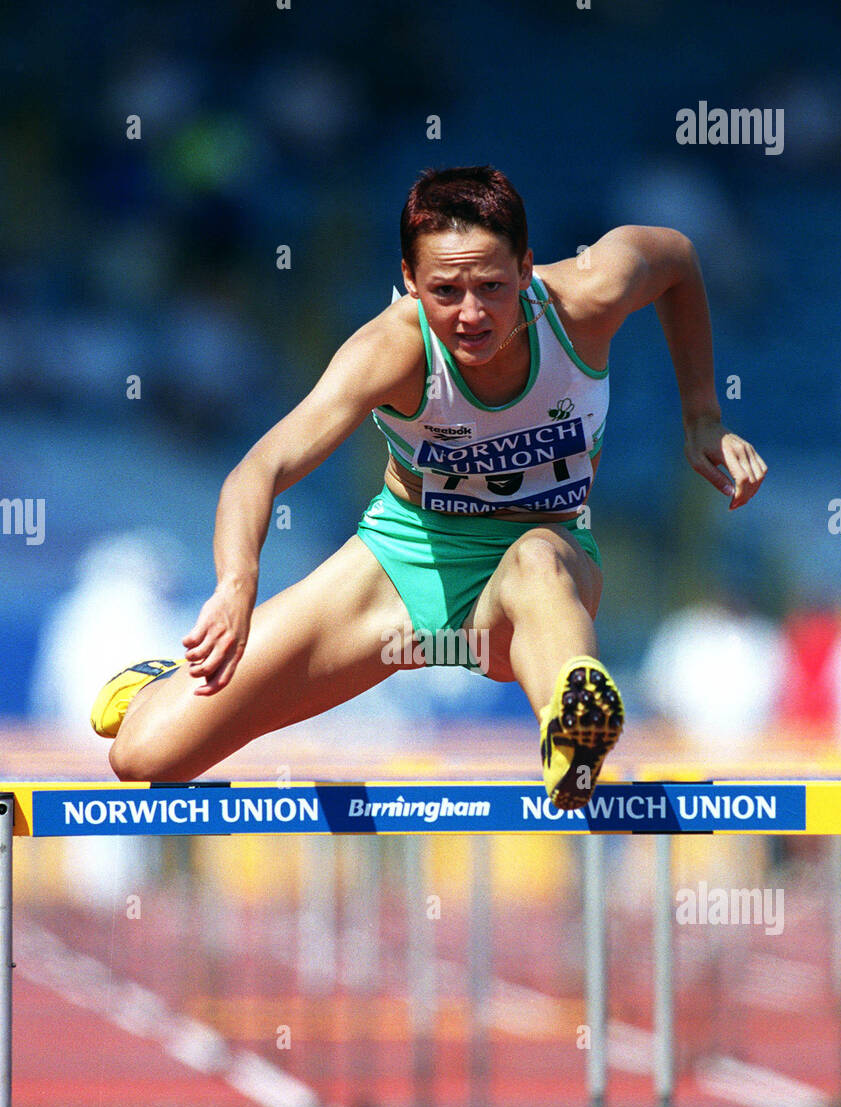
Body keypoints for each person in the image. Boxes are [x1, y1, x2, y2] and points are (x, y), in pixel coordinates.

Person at [91, 166, 767, 809]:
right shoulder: (390, 350)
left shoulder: (587, 296)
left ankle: (575, 726)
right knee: (145, 758)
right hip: (403, 562)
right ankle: (163, 684)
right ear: (410, 282)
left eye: (492, 288)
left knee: (535, 558)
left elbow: (675, 255)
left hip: (536, 576)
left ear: (526, 268)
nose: (471, 315)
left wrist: (704, 418)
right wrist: (237, 586)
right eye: (445, 291)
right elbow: (258, 470)